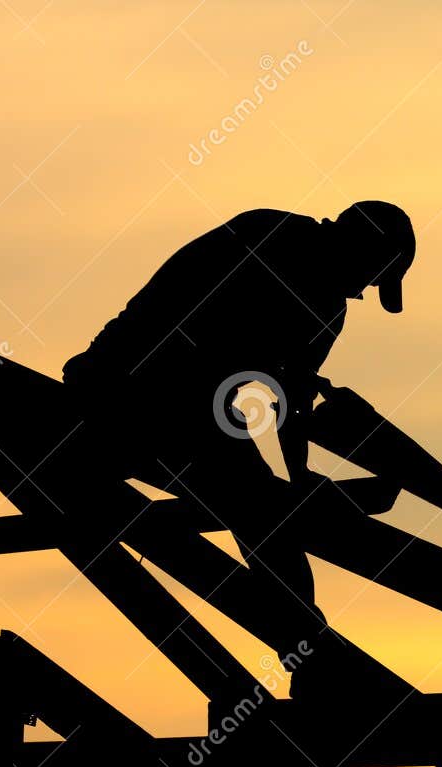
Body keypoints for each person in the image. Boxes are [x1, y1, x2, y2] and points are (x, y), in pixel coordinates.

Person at [60, 201, 415, 676]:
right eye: (371, 276)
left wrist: (294, 475)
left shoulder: (324, 306)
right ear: (354, 248)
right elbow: (187, 322)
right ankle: (312, 660)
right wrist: (288, 478)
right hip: (126, 390)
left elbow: (284, 407)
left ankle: (310, 659)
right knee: (264, 511)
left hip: (189, 410)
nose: (362, 292)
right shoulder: (270, 238)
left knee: (269, 509)